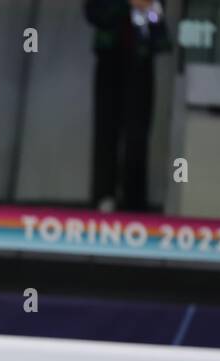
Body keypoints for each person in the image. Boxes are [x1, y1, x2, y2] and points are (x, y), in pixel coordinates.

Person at [84, 0, 170, 212]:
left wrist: (148, 9)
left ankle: (134, 201)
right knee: (106, 129)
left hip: (140, 59)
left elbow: (157, 17)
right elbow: (92, 11)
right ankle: (104, 196)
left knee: (138, 133)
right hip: (109, 57)